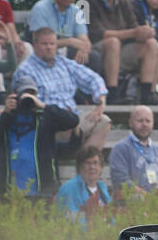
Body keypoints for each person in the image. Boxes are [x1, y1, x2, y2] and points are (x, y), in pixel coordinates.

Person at [12, 26, 110, 154]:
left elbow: (94, 79)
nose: (49, 47)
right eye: (44, 44)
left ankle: (84, 163)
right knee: (65, 124)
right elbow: (28, 104)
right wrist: (61, 116)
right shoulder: (25, 70)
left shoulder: (64, 63)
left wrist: (101, 101)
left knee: (104, 122)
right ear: (35, 45)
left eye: (52, 43)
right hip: (46, 123)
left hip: (73, 119)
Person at [0, 74, 79, 195]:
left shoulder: (44, 117)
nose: (28, 98)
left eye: (32, 94)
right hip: (11, 193)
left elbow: (73, 120)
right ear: (14, 95)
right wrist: (6, 114)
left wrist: (42, 105)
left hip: (42, 191)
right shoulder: (7, 118)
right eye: (24, 94)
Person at [83, 0, 158, 105]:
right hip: (93, 50)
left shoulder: (124, 3)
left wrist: (144, 33)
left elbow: (134, 30)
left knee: (151, 43)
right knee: (113, 42)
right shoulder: (86, 1)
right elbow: (96, 34)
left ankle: (147, 94)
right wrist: (133, 32)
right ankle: (113, 93)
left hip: (121, 50)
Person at [109, 104, 158, 194]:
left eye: (148, 121)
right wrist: (148, 198)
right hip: (131, 205)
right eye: (140, 121)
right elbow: (121, 181)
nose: (144, 124)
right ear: (130, 123)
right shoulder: (120, 148)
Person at [27, 0, 91, 66]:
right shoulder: (41, 8)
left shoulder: (77, 11)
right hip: (45, 49)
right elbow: (40, 42)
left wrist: (84, 49)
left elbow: (85, 40)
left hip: (67, 50)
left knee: (92, 57)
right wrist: (70, 41)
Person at [55, 144, 111, 220]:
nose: (92, 167)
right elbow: (68, 219)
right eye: (88, 163)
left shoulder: (102, 187)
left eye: (95, 163)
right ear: (80, 167)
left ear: (101, 167)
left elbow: (110, 216)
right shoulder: (69, 188)